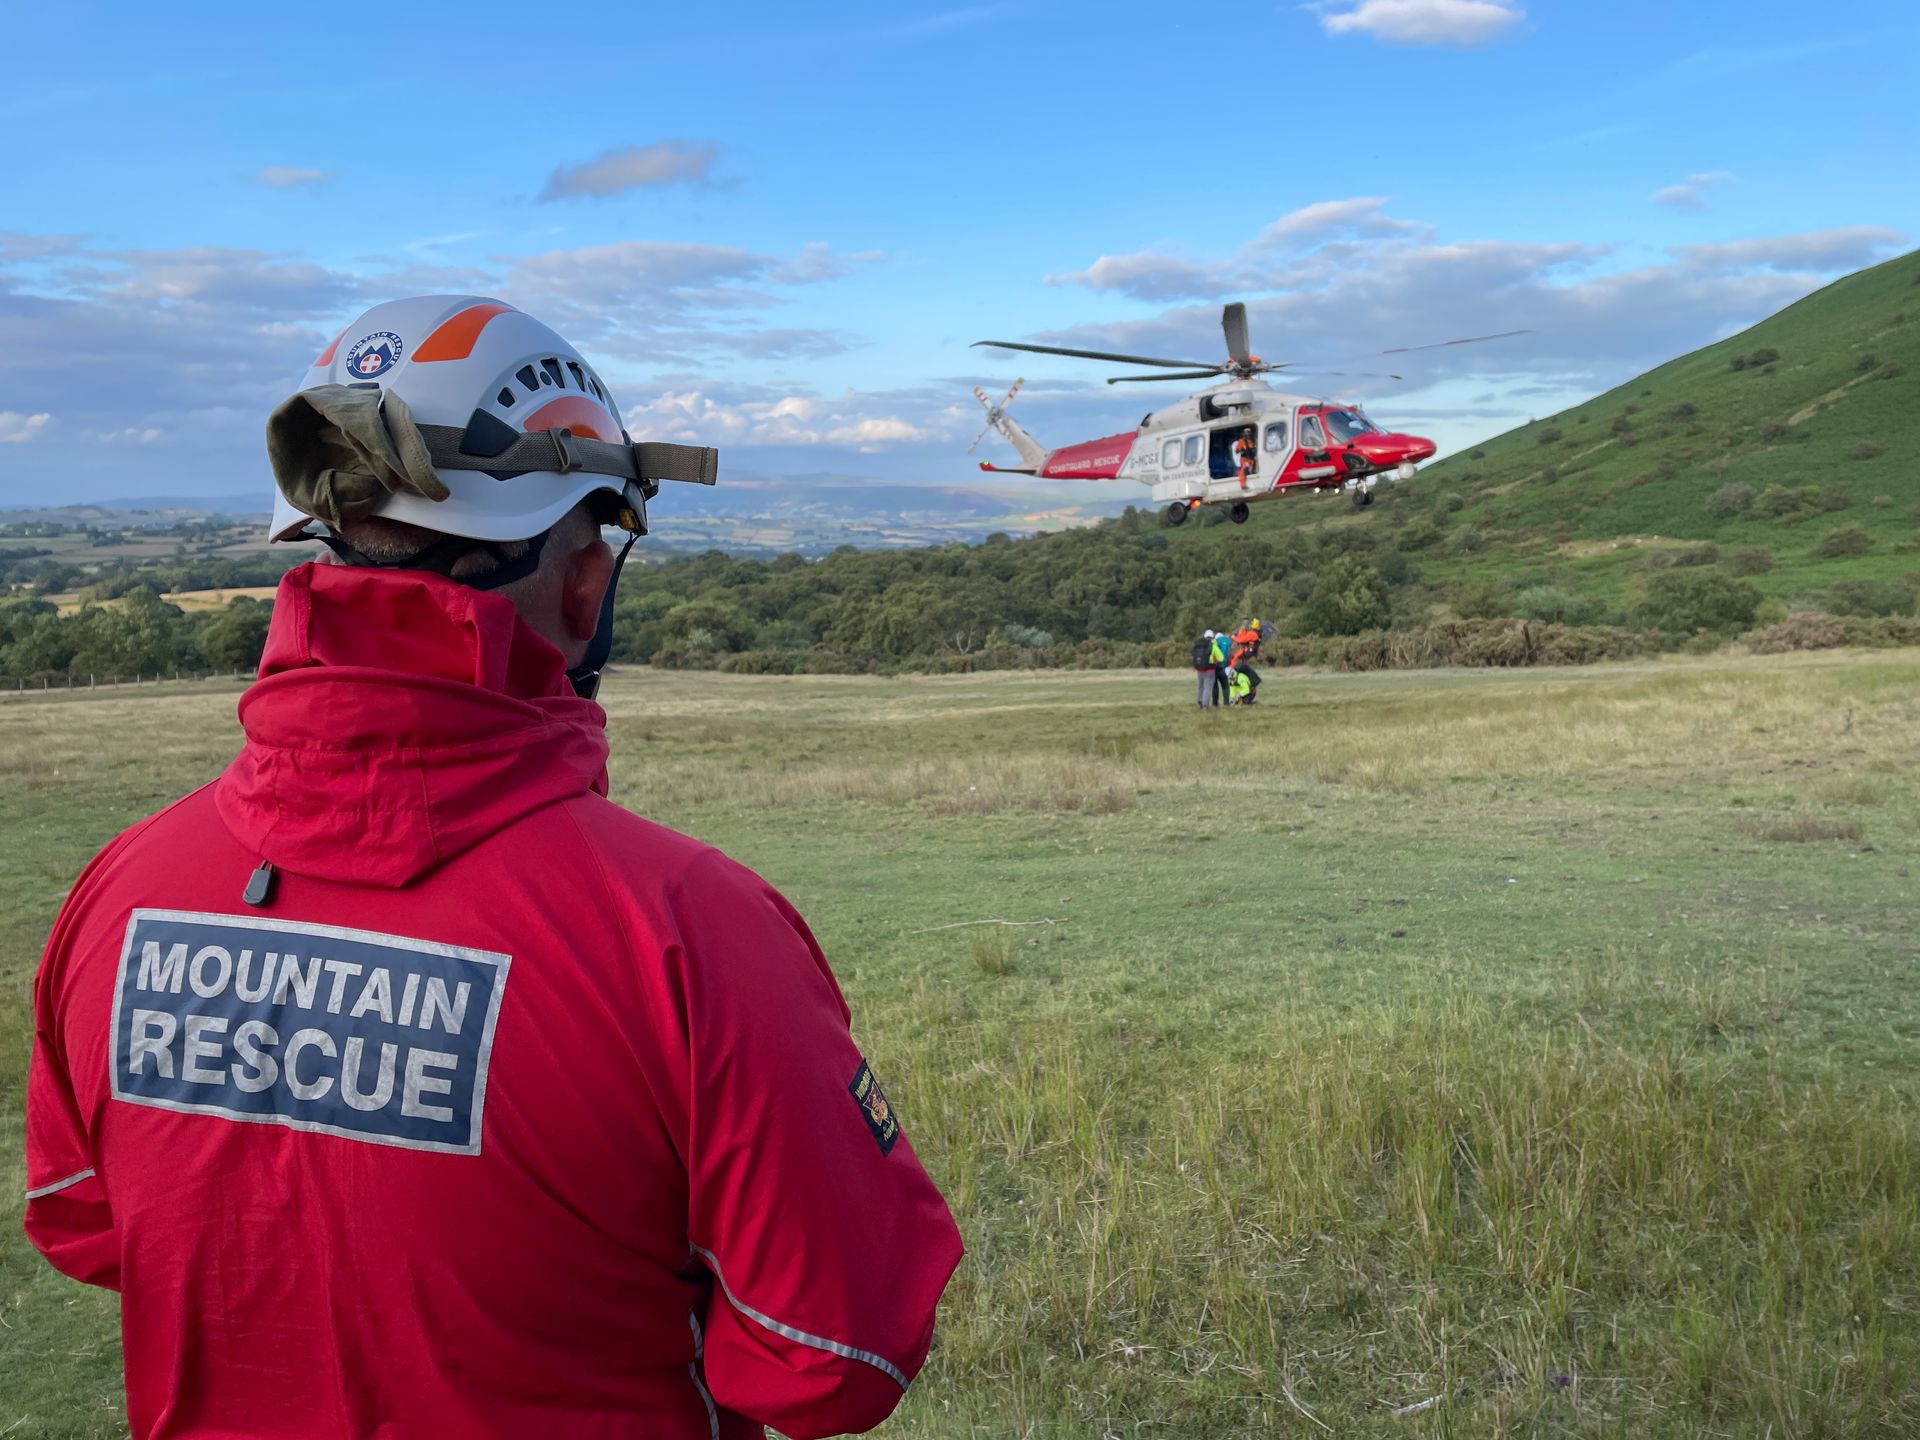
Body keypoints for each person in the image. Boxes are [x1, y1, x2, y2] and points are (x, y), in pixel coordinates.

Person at [24, 295, 962, 1440]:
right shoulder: (691, 929)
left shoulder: (116, 891)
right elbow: (837, 1357)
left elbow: (83, 1225)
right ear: (584, 578)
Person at [1229, 618, 1265, 705]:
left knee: (1234, 664)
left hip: (1245, 653)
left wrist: (1233, 637)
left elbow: (1241, 640)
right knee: (1237, 670)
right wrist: (1242, 630)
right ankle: (1239, 697)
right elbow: (1243, 637)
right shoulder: (1256, 633)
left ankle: (1237, 697)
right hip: (1247, 654)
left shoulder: (1253, 634)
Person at [1192, 628, 1219, 707]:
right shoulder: (1212, 645)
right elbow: (1218, 657)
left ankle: (1199, 700)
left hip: (1199, 669)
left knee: (1200, 686)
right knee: (1207, 687)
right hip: (1209, 669)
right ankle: (1205, 704)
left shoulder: (1198, 644)